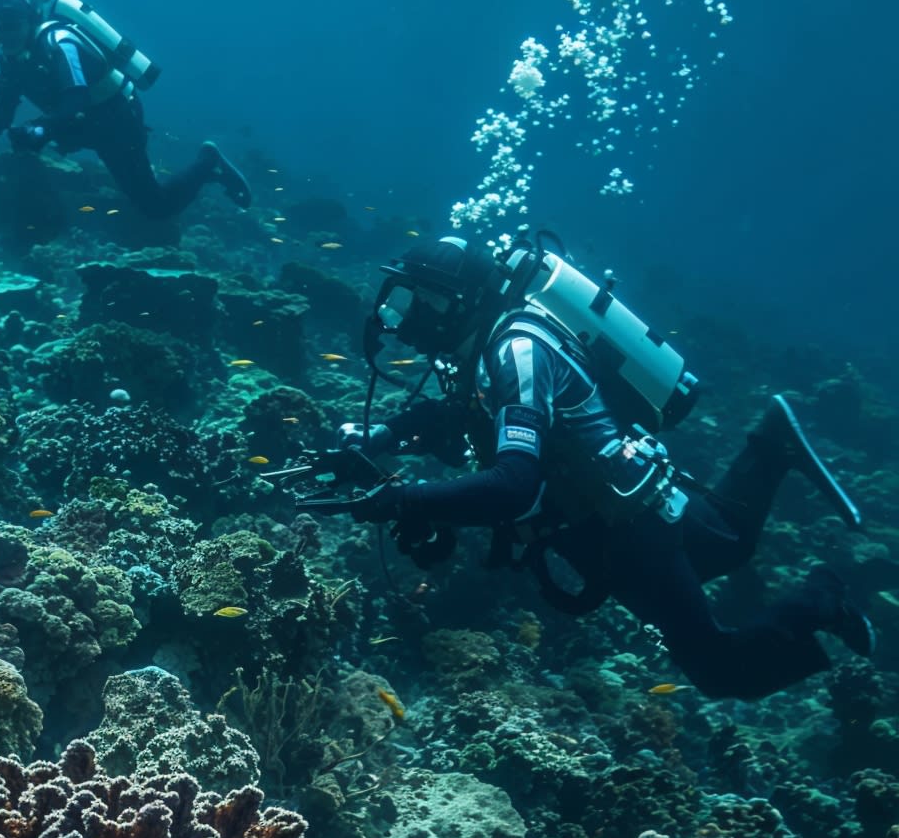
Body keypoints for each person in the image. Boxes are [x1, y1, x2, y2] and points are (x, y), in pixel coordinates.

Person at [292, 234, 872, 699]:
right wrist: (379, 438)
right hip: (607, 523)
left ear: (455, 302)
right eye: (402, 301)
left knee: (726, 673)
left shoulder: (516, 349)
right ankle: (769, 446)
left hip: (633, 528)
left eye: (417, 302)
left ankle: (821, 596)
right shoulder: (484, 353)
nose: (404, 320)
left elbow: (513, 486)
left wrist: (405, 498)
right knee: (730, 545)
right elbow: (453, 414)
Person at [0, 0, 253, 220]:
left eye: (11, 24)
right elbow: (4, 108)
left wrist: (41, 129)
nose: (5, 35)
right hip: (82, 124)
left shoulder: (59, 41)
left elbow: (75, 96)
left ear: (28, 18)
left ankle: (208, 162)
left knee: (156, 206)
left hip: (116, 120)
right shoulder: (13, 60)